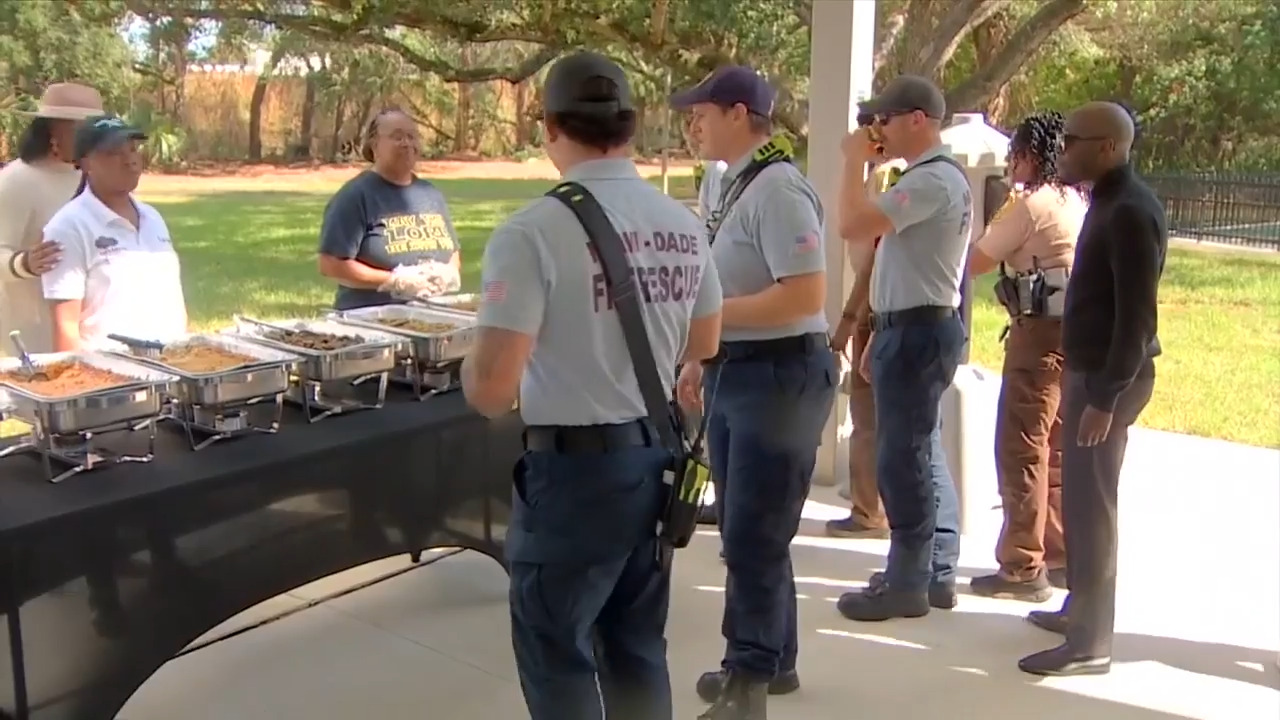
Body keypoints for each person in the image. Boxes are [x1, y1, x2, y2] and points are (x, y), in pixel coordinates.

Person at [460, 51, 723, 720]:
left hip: (574, 482)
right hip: (655, 468)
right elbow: (706, 344)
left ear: (550, 127)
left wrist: (473, 355)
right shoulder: (684, 224)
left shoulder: (532, 233)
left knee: (558, 655)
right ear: (631, 127)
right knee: (637, 648)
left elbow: (491, 390)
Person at [670, 65, 837, 719]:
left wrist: (709, 320)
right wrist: (703, 356)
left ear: (740, 114)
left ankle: (748, 681)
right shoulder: (734, 182)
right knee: (753, 528)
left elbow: (803, 296)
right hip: (741, 370)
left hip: (781, 376)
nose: (693, 123)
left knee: (751, 536)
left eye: (702, 112)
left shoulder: (779, 191)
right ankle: (775, 661)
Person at [1019, 101, 1167, 677]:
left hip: (1109, 379)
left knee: (1092, 507)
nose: (1064, 150)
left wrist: (1105, 396)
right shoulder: (1108, 203)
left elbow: (1138, 319)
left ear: (1107, 147)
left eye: (1075, 141)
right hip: (1087, 372)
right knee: (1079, 501)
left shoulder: (1131, 210)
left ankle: (1090, 642)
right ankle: (1078, 607)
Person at [834, 75, 970, 622]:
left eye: (885, 120)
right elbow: (888, 259)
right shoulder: (927, 179)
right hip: (908, 328)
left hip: (916, 331)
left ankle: (909, 581)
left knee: (902, 459)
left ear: (919, 119)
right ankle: (931, 570)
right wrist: (874, 328)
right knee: (918, 450)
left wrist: (851, 163)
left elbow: (851, 223)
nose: (877, 131)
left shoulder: (932, 182)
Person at [966, 112, 1088, 602]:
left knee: (1021, 447)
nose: (1010, 161)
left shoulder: (1031, 204)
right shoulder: (1077, 200)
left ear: (1032, 155)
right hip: (1072, 332)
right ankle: (1054, 552)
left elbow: (975, 261)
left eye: (1015, 152)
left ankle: (1020, 563)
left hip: (1036, 334)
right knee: (1053, 448)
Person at [42, 115, 187, 349]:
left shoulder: (152, 218)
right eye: (114, 152)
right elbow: (65, 330)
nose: (130, 160)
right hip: (112, 376)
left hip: (173, 367)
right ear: (86, 163)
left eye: (132, 150)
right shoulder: (68, 227)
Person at [825, 159, 905, 539]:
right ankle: (870, 504)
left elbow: (873, 259)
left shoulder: (891, 176)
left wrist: (851, 318)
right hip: (876, 309)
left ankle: (869, 509)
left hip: (881, 311)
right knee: (870, 420)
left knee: (870, 420)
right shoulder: (889, 175)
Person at [318, 108, 462, 310]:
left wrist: (448, 273)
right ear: (374, 146)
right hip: (372, 320)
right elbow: (330, 264)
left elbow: (453, 251)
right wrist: (394, 281)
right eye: (397, 137)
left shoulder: (431, 194)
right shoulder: (356, 196)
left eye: (412, 136)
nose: (407, 143)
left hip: (431, 317)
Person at [0, 83, 104, 353]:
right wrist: (25, 263)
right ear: (52, 128)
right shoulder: (17, 181)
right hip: (35, 328)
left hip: (92, 327)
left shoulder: (98, 176)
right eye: (82, 129)